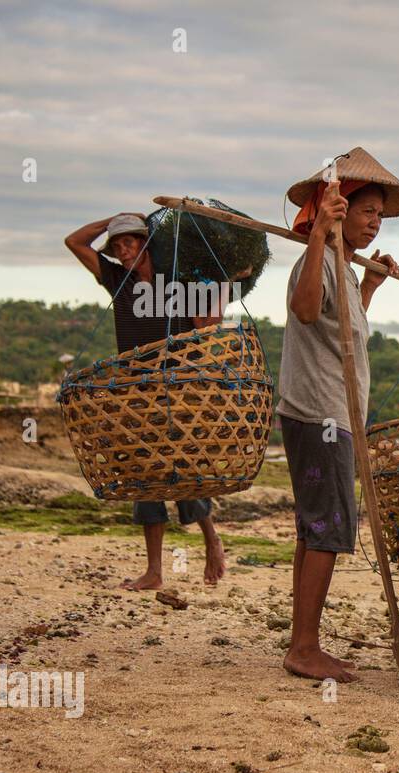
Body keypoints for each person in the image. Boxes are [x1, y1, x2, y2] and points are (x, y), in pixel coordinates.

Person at [278, 148, 399, 683]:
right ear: (336, 209)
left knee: (315, 528)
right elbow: (308, 310)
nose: (375, 221)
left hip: (333, 416)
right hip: (320, 416)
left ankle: (302, 641)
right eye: (367, 212)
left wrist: (370, 286)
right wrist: (318, 238)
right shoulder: (314, 261)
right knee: (330, 528)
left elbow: (341, 329)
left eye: (379, 214)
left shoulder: (344, 267)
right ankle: (304, 648)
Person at [64, 212, 228, 589]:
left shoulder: (178, 281)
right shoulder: (117, 281)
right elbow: (74, 241)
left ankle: (211, 538)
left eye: (130, 242)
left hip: (181, 386)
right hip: (136, 389)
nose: (123, 251)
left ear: (146, 242)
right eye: (118, 245)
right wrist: (114, 222)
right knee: (144, 472)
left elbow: (209, 321)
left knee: (186, 468)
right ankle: (154, 571)